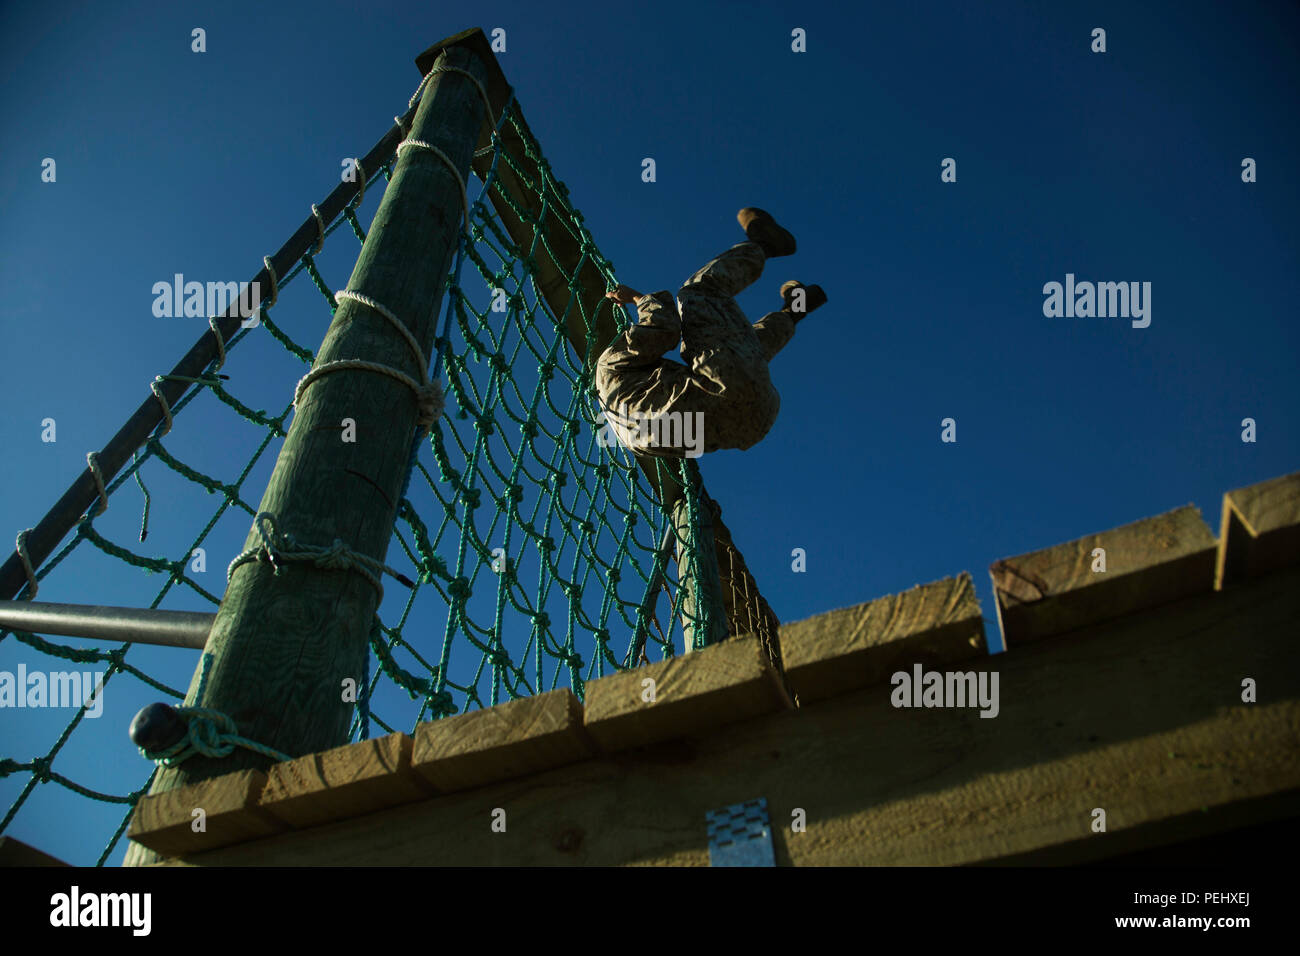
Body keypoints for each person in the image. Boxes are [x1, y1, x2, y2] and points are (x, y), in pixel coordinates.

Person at [595, 208, 826, 459]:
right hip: (725, 383)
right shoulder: (608, 368)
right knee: (696, 292)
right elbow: (663, 328)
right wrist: (638, 298)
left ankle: (796, 309)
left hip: (753, 425)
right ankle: (764, 245)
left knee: (739, 352)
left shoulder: (624, 432)